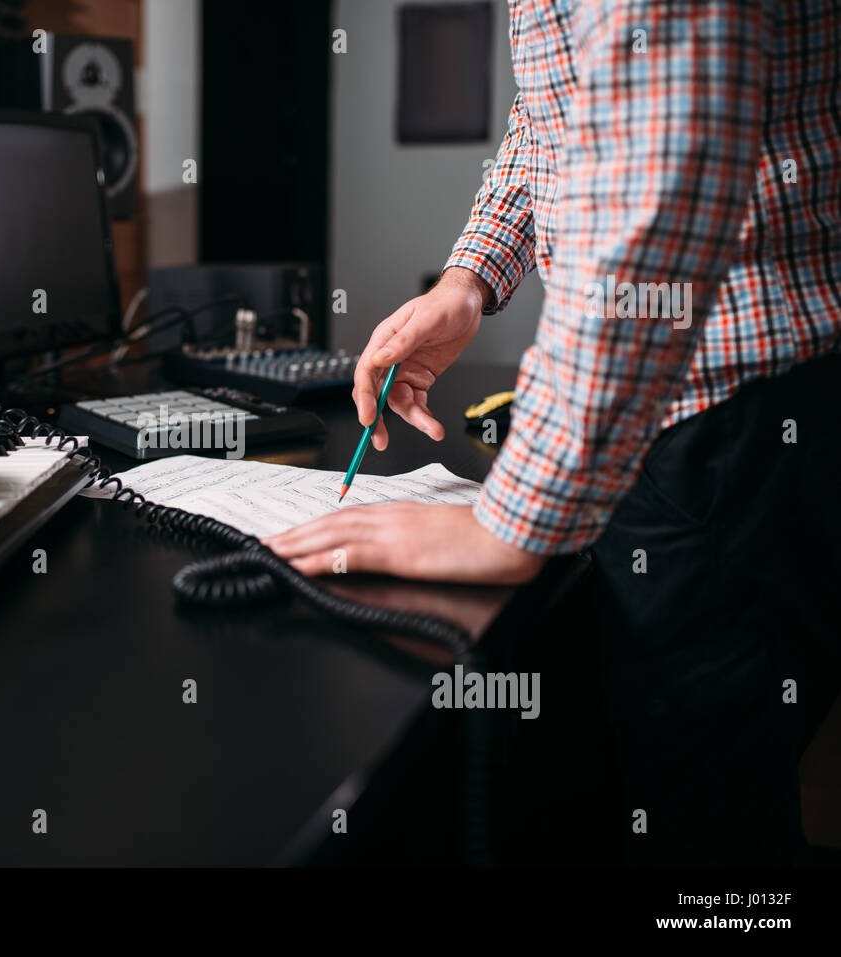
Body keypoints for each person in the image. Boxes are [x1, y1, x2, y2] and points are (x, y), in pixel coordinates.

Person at [264, 0, 840, 865]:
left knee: (714, 859)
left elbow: (659, 178)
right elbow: (554, 115)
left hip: (728, 410)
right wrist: (469, 276)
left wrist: (514, 515)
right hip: (698, 405)